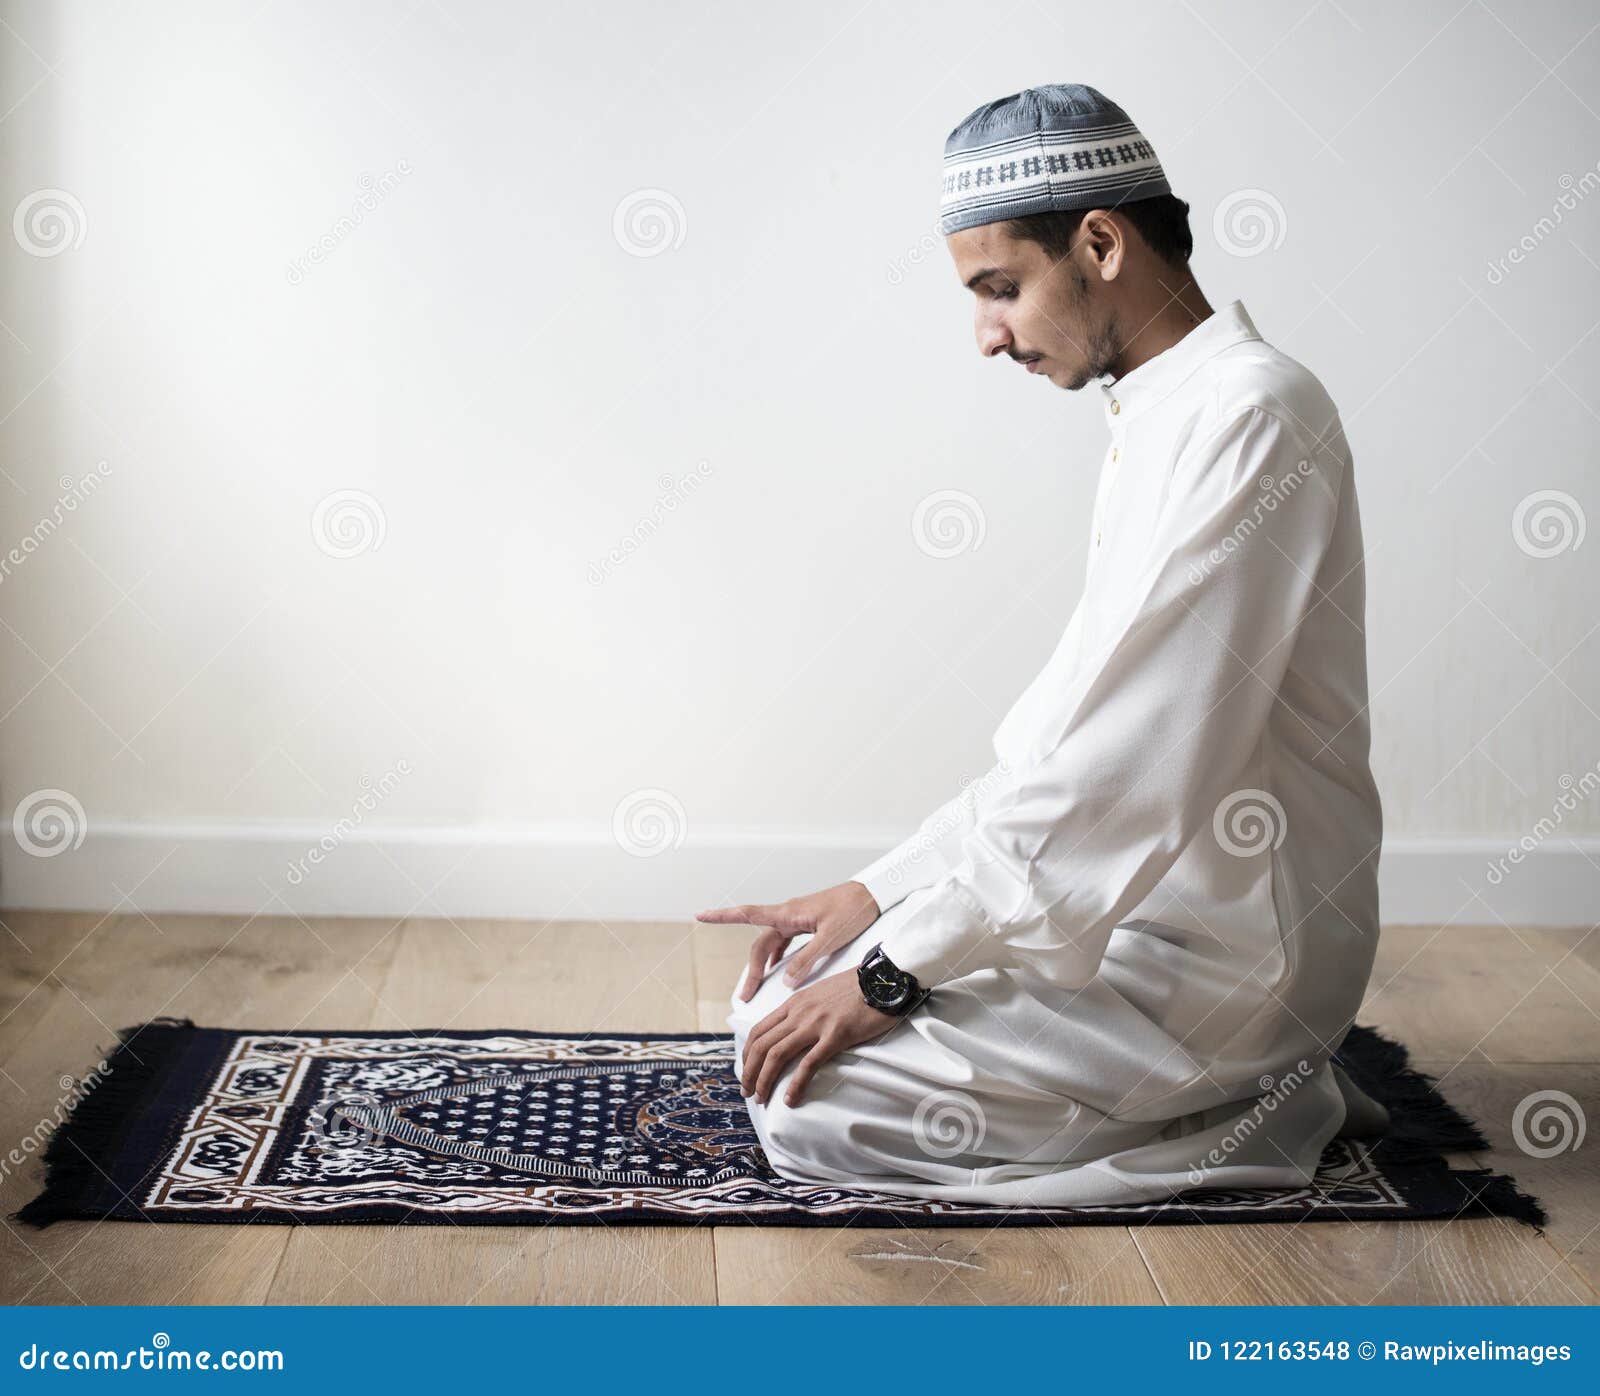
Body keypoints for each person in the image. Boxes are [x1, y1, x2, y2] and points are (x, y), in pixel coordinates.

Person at [696, 83, 1385, 1207]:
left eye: (1000, 289)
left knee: (809, 1103)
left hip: (1223, 956)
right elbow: (1065, 744)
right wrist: (876, 897)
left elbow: (1130, 771)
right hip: (1125, 906)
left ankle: (1256, 1093)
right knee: (781, 1003)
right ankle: (1177, 1087)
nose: (986, 336)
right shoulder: (1167, 409)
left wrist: (895, 974)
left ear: (1099, 244)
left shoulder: (1252, 414)